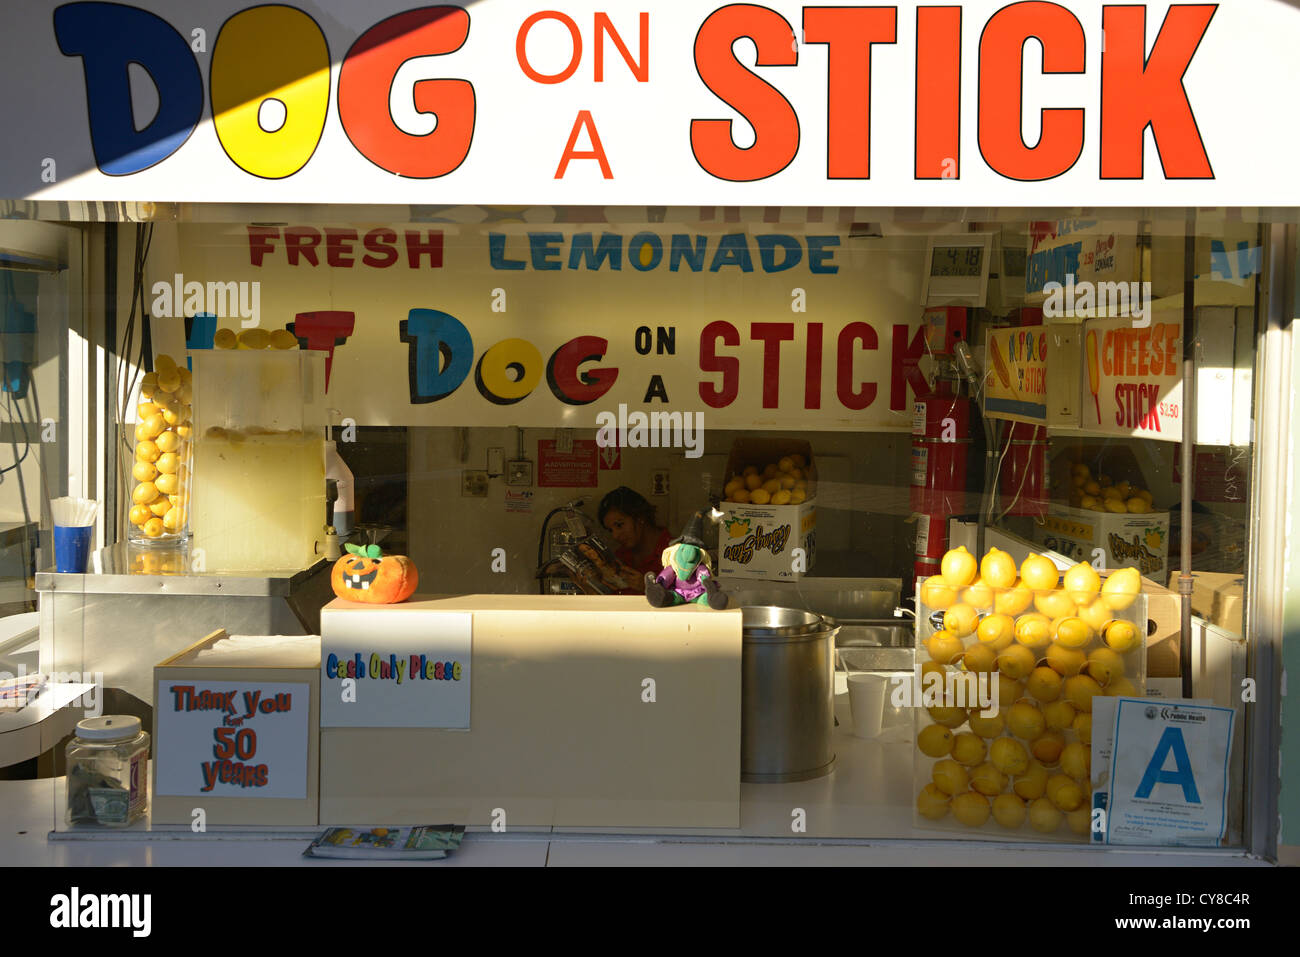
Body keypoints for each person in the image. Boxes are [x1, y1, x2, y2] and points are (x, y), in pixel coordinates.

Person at [598, 486, 672, 578]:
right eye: (610, 530)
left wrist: (646, 588)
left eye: (619, 525)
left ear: (639, 517)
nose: (615, 536)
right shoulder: (621, 557)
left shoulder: (675, 553)